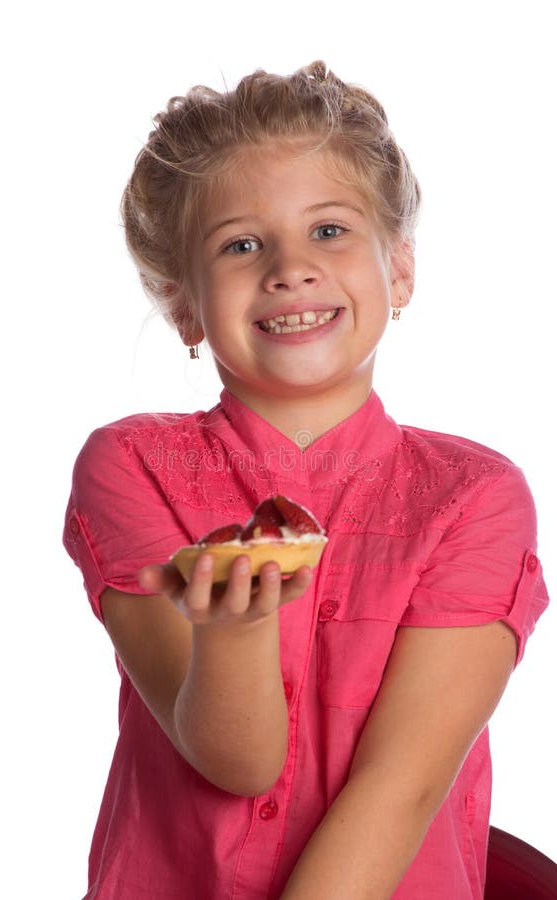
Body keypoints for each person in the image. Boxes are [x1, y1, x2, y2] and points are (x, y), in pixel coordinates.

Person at [63, 61, 549, 899]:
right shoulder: (131, 464)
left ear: (397, 272)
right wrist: (236, 633)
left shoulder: (473, 496)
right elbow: (238, 761)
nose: (290, 267)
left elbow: (402, 788)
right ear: (184, 306)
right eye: (241, 244)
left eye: (329, 231)